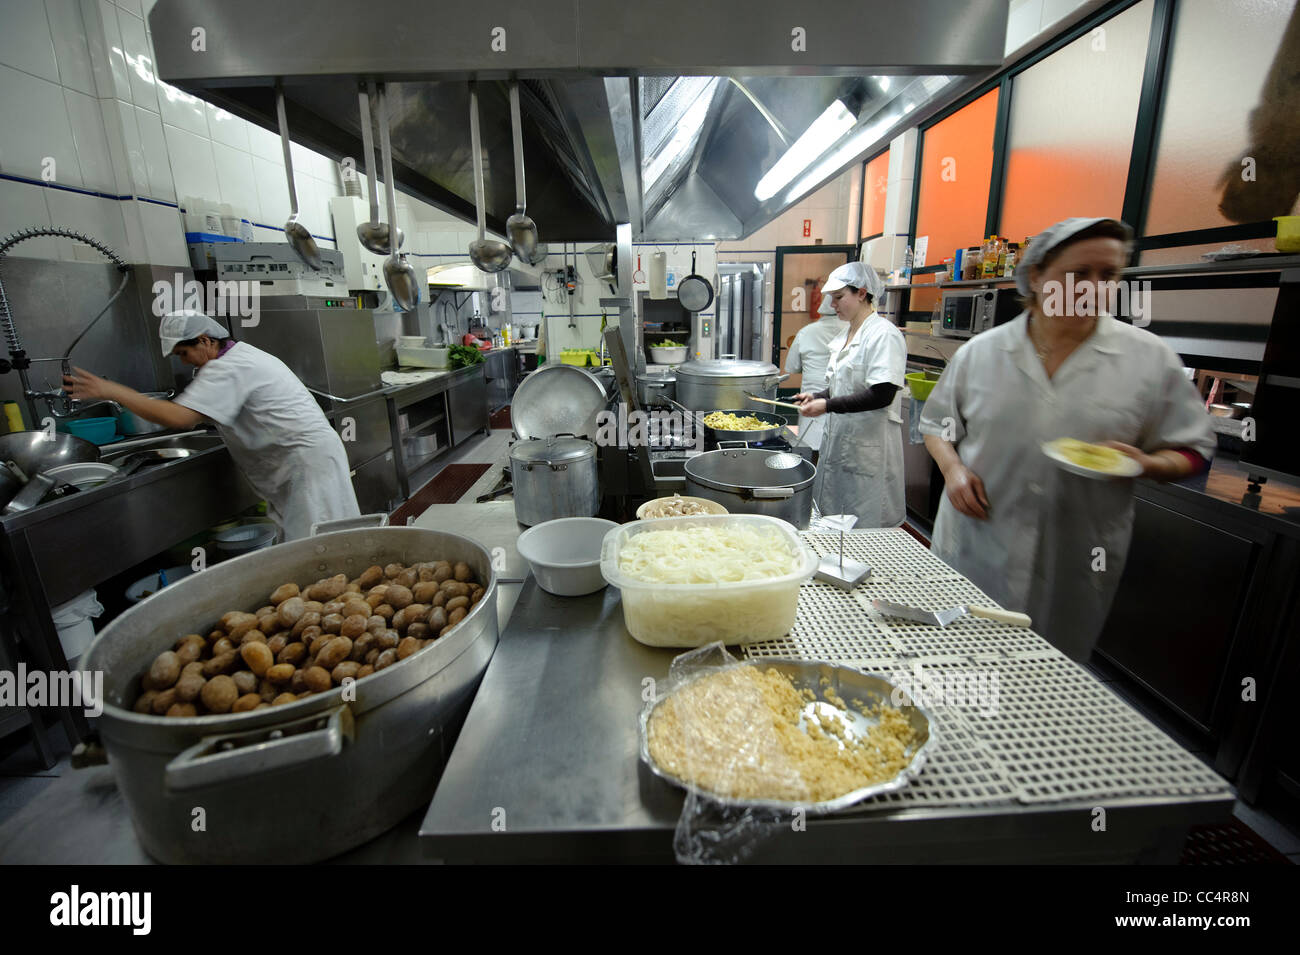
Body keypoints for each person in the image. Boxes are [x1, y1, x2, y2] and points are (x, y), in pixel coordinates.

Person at [918, 217, 1215, 661]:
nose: (1094, 288)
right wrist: (954, 470)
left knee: (1049, 682)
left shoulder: (1148, 360)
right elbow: (936, 425)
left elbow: (1195, 450)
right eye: (1079, 274)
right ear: (1036, 276)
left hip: (1075, 559)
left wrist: (1147, 464)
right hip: (976, 544)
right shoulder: (982, 354)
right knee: (957, 667)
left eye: (1108, 275)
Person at [64, 310, 360, 542]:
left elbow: (180, 418)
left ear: (205, 340)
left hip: (306, 464)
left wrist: (111, 390)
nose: (183, 362)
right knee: (317, 540)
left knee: (318, 546)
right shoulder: (239, 357)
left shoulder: (227, 367)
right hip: (306, 461)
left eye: (183, 353)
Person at [794, 260, 907, 526]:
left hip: (868, 452)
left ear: (862, 293)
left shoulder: (883, 335)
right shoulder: (848, 334)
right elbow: (841, 386)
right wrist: (819, 396)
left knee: (865, 529)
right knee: (833, 521)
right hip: (840, 446)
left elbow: (882, 394)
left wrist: (827, 405)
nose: (833, 305)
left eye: (838, 298)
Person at [783, 292, 847, 452]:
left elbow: (792, 367)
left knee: (809, 454)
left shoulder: (806, 332)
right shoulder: (851, 331)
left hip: (812, 403)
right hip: (840, 406)